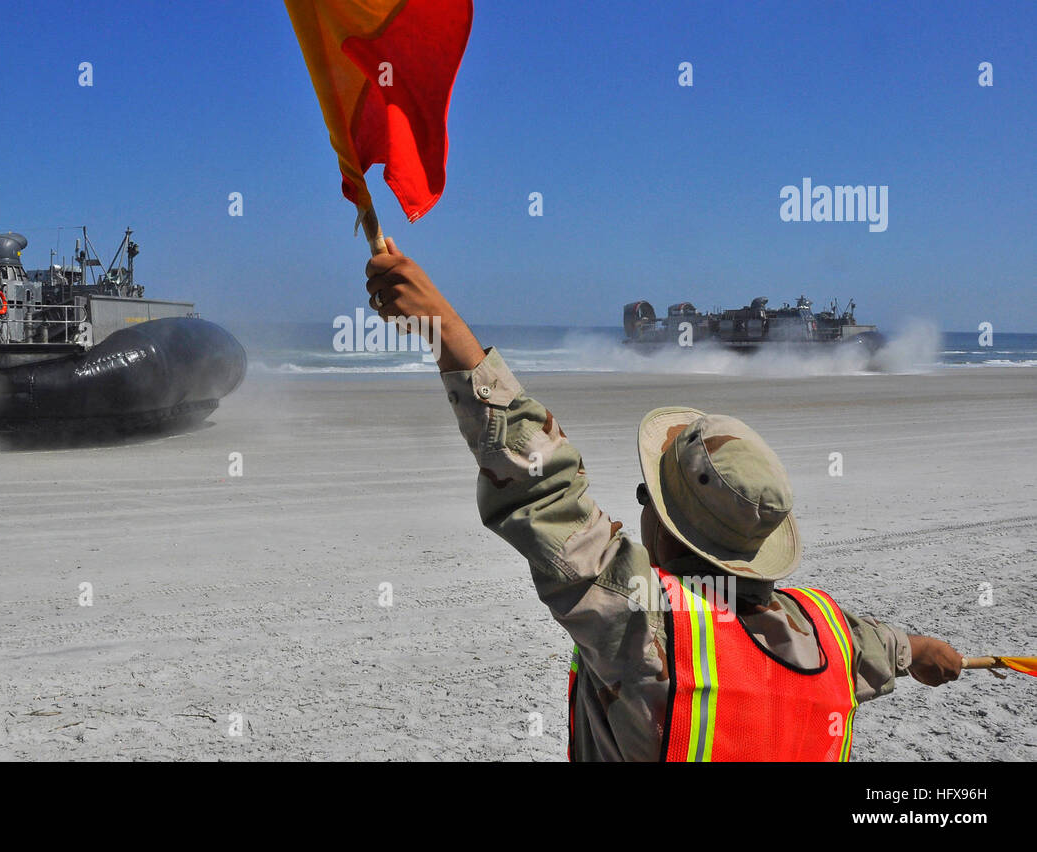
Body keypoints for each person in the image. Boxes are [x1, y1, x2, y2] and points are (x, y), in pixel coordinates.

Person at [365, 238, 962, 762]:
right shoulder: (829, 633)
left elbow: (541, 487)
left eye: (648, 495)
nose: (639, 509)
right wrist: (922, 650)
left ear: (671, 527)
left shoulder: (643, 625)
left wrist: (443, 327)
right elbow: (883, 647)